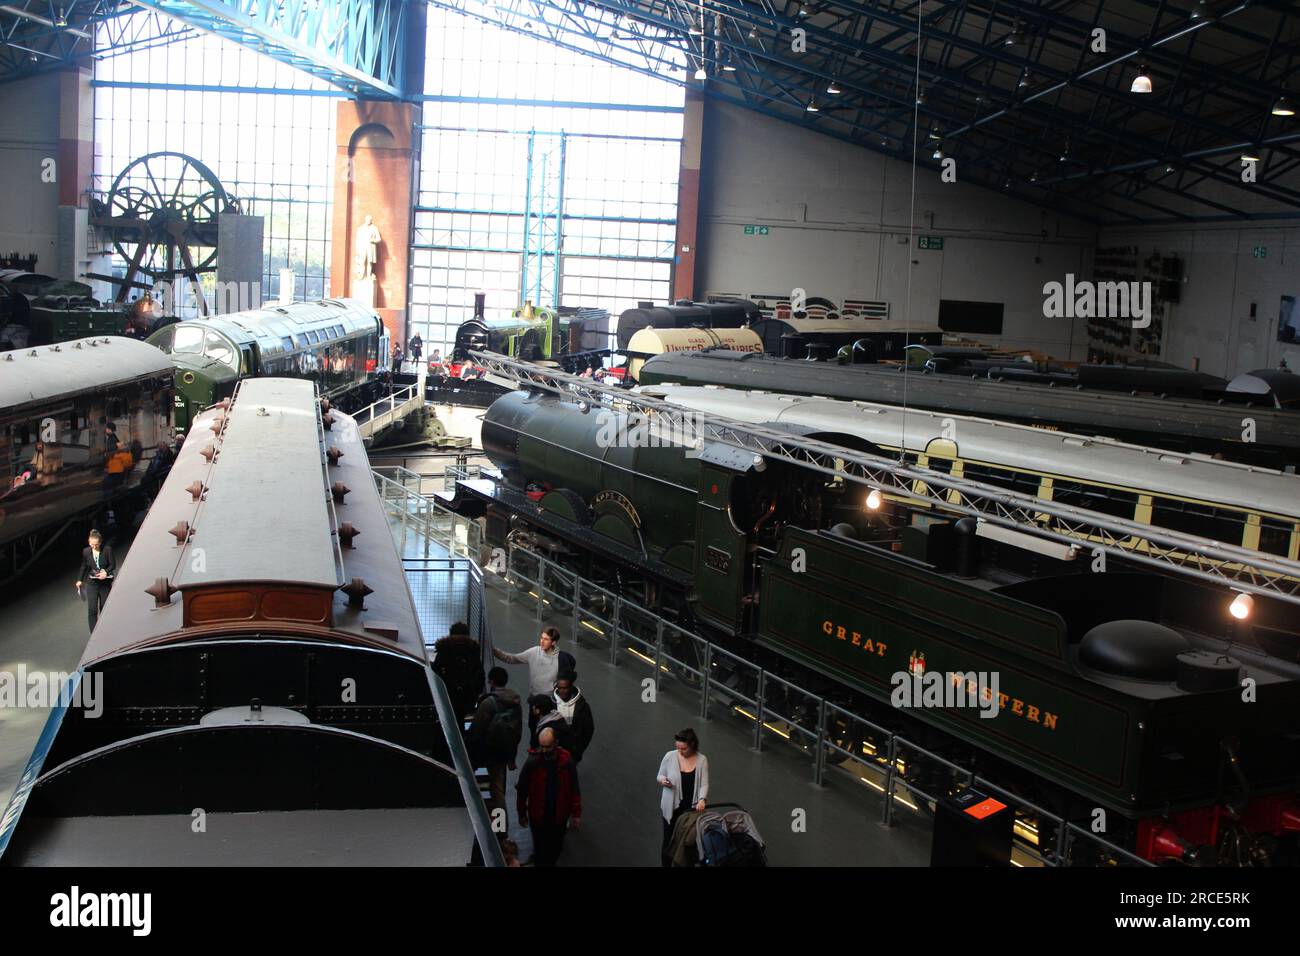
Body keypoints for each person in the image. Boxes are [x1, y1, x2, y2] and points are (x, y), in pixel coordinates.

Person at [465, 666, 522, 828]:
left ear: (491, 682)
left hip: (487, 750)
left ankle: (473, 817)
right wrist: (512, 756)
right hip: (504, 751)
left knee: (471, 780)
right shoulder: (515, 701)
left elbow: (476, 730)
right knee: (498, 788)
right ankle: (500, 828)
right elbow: (518, 730)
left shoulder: (489, 702)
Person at [516, 726, 581, 867]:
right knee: (540, 850)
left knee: (555, 848)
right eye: (542, 746)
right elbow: (522, 789)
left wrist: (576, 813)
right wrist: (521, 812)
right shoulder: (533, 762)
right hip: (540, 816)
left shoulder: (567, 761)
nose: (544, 750)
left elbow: (574, 788)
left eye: (548, 747)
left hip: (558, 816)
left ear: (556, 743)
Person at [657, 728, 709, 867]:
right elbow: (660, 775)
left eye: (683, 749)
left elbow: (704, 784)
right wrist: (663, 781)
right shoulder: (669, 756)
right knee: (668, 841)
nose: (680, 751)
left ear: (692, 745)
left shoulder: (702, 760)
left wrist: (702, 799)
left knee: (688, 841)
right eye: (678, 748)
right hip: (671, 807)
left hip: (690, 809)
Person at [492, 626, 575, 699]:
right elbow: (512, 658)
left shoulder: (561, 658)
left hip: (551, 700)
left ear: (553, 642)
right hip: (534, 698)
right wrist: (493, 650)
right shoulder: (534, 652)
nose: (542, 641)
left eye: (546, 639)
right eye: (541, 638)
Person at [431, 621, 485, 720]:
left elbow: (435, 671)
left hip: (447, 695)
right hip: (468, 696)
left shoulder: (444, 649)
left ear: (451, 634)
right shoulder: (473, 651)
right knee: (460, 718)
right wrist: (476, 693)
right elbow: (480, 675)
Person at [75, 529, 116, 633]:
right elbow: (84, 566)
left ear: (100, 542)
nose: (94, 547)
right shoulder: (86, 551)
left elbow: (112, 565)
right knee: (92, 609)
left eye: (96, 545)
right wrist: (80, 580)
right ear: (89, 542)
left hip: (104, 583)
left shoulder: (107, 550)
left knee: (104, 607)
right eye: (92, 544)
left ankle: (105, 629)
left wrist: (105, 572)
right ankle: (94, 633)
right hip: (92, 583)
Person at [553, 671, 594, 764]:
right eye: (559, 688)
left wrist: (580, 749)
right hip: (554, 748)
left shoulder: (582, 706)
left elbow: (588, 729)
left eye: (565, 688)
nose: (561, 691)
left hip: (573, 749)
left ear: (571, 687)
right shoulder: (551, 703)